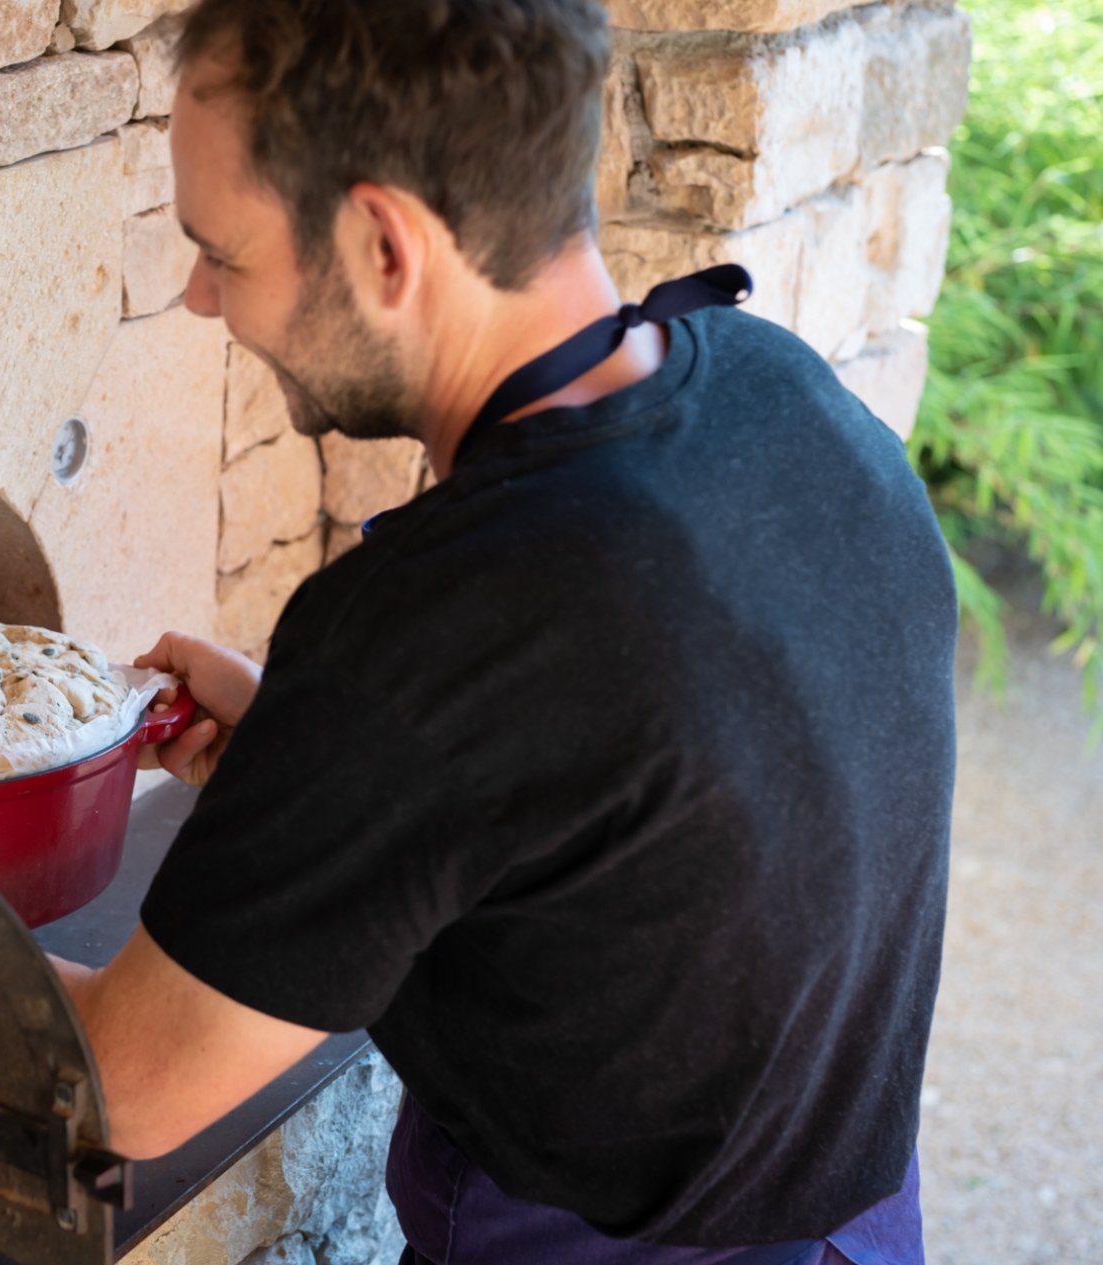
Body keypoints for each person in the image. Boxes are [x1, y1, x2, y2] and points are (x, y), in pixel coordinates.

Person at [49, 2, 955, 1262]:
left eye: (223, 253)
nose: (202, 298)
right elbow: (614, 794)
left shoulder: (435, 630)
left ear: (383, 245)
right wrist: (304, 755)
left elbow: (122, 1088)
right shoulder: (781, 389)